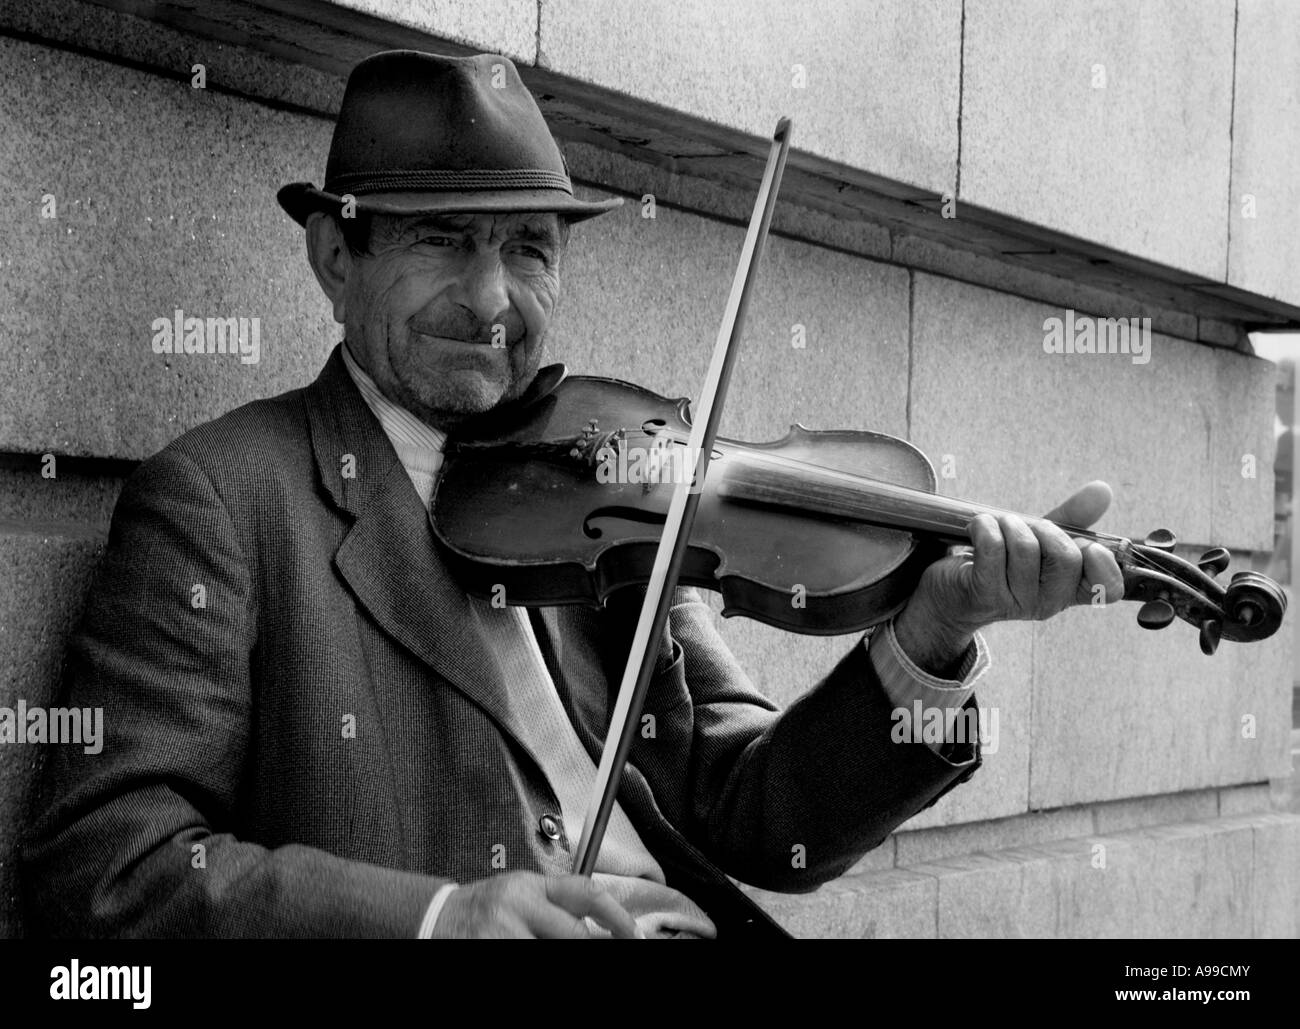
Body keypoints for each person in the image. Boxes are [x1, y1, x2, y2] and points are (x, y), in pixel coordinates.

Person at [22, 50, 1122, 939]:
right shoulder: (224, 501)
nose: (493, 298)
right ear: (333, 256)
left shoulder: (614, 484)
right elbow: (109, 862)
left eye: (528, 248)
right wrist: (439, 919)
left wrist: (929, 638)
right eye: (443, 241)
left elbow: (758, 820)